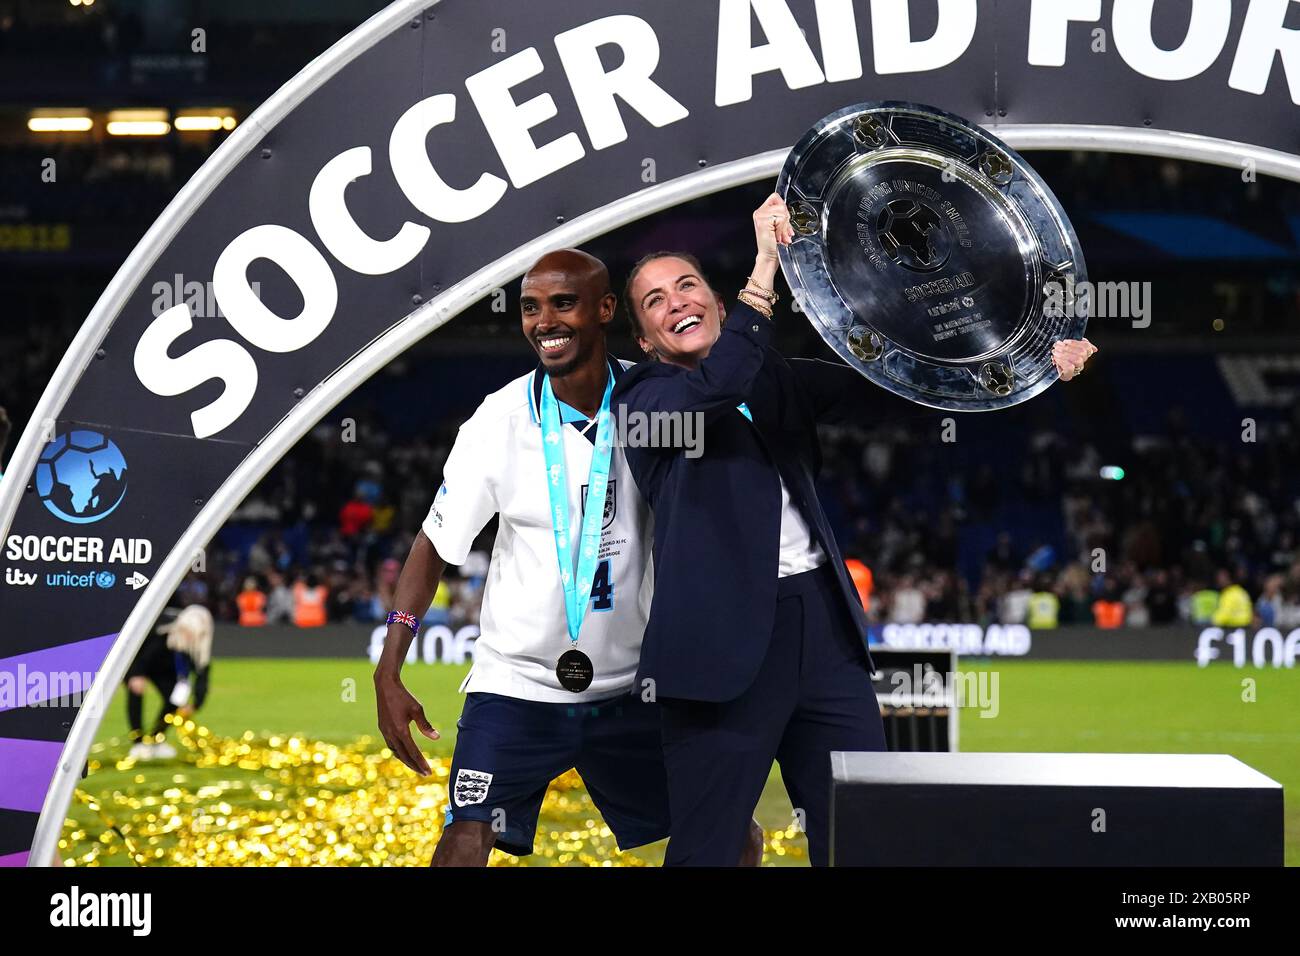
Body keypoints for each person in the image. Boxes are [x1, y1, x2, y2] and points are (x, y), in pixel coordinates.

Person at [613, 192, 1097, 866]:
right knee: (708, 850)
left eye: (687, 285)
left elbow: (901, 386)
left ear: (716, 305)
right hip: (717, 651)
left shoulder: (771, 375)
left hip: (822, 632)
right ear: (643, 340)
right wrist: (762, 274)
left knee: (863, 832)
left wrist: (1034, 359)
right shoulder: (644, 401)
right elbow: (711, 392)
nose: (676, 303)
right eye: (655, 301)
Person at [373, 250, 760, 866]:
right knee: (465, 836)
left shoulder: (655, 405)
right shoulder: (497, 421)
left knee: (730, 831)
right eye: (530, 307)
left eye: (563, 303)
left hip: (638, 685)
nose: (543, 321)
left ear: (605, 310)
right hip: (517, 686)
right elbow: (434, 545)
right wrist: (388, 669)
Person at [124, 601, 213, 760]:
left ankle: (156, 739)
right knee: (136, 690)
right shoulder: (162, 632)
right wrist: (135, 674)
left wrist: (196, 703)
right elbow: (140, 654)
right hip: (139, 662)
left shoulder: (198, 647)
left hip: (166, 671)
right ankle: (137, 742)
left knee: (177, 700)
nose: (188, 637)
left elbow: (202, 675)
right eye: (186, 632)